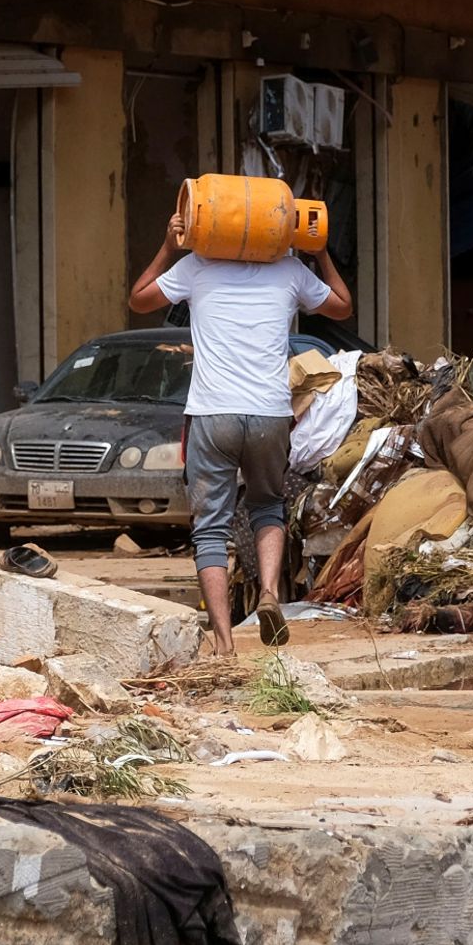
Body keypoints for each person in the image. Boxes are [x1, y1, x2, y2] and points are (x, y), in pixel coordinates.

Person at [128, 213, 352, 655]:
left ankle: (225, 644)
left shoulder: (195, 266)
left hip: (212, 415)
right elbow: (342, 305)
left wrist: (169, 247)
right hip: (269, 414)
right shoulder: (290, 271)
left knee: (210, 529)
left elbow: (138, 299)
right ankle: (269, 593)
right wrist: (320, 252)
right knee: (268, 505)